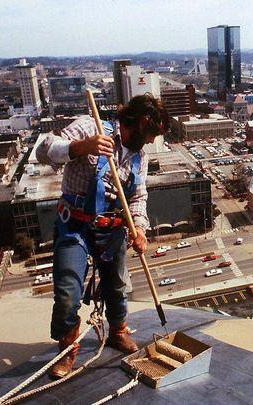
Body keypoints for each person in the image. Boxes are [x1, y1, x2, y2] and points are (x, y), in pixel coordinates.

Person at [36, 94, 169, 379]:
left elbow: (138, 196)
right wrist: (81, 147)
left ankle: (118, 332)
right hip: (75, 225)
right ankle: (67, 347)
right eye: (149, 135)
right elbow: (44, 151)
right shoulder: (89, 127)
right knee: (68, 293)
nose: (148, 143)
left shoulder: (138, 157)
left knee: (117, 286)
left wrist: (140, 228)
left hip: (111, 229)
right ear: (139, 122)